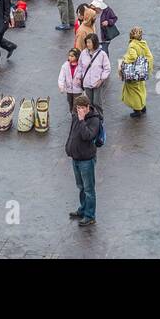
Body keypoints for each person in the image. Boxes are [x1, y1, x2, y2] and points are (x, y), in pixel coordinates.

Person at [65, 94, 101, 227]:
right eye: (77, 108)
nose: (78, 110)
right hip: (76, 157)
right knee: (80, 186)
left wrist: (81, 120)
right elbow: (72, 132)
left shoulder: (94, 120)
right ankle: (83, 209)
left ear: (87, 107)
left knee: (89, 189)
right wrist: (68, 146)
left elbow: (87, 136)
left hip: (86, 160)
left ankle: (90, 216)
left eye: (81, 108)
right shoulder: (76, 115)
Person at [120, 26, 154, 117]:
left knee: (134, 91)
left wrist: (124, 60)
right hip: (141, 71)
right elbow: (149, 56)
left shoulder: (132, 45)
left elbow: (132, 57)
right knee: (141, 89)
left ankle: (137, 110)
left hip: (133, 72)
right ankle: (143, 107)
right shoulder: (143, 43)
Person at [77, 33, 111, 108]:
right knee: (89, 103)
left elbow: (107, 68)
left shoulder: (102, 54)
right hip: (86, 82)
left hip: (97, 82)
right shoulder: (83, 53)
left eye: (89, 42)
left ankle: (100, 117)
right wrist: (78, 77)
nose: (87, 44)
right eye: (87, 42)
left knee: (97, 102)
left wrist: (101, 79)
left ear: (94, 43)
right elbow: (80, 66)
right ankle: (92, 118)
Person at [58, 48, 84, 113]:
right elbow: (61, 77)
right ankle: (73, 116)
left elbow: (84, 75)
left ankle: (76, 118)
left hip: (78, 90)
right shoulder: (65, 66)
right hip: (69, 90)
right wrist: (61, 86)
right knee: (70, 104)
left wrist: (81, 80)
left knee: (76, 105)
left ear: (77, 56)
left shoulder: (81, 66)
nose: (70, 57)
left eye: (72, 56)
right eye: (69, 55)